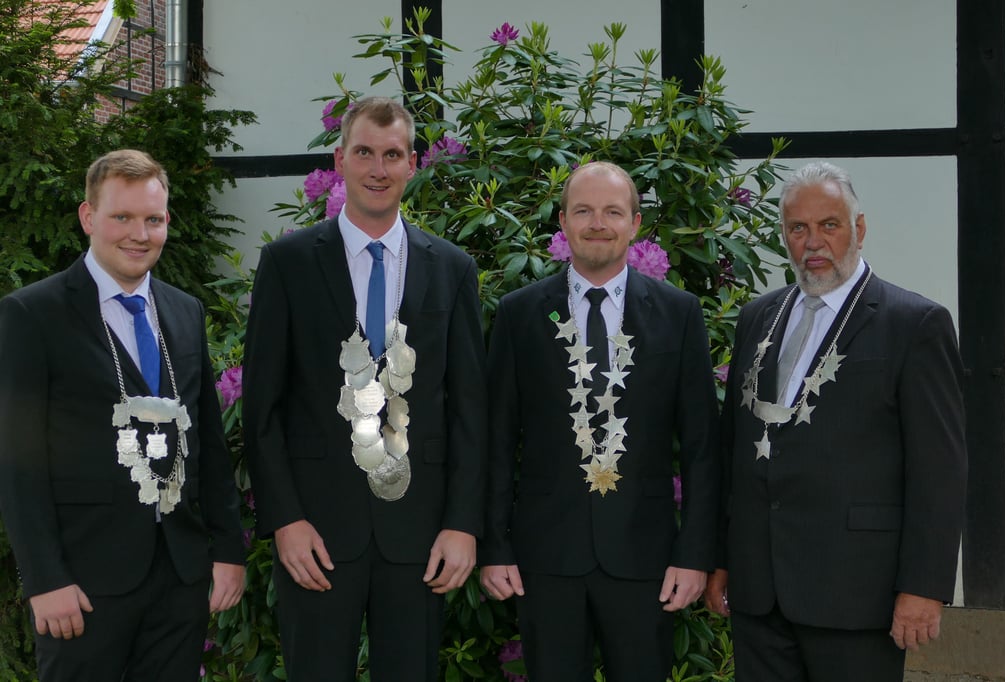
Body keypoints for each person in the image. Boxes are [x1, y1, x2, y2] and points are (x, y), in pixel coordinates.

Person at [242, 96, 487, 681]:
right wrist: (285, 521)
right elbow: (262, 408)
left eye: (393, 155)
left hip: (420, 532)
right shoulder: (287, 263)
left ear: (412, 164)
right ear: (340, 159)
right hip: (316, 531)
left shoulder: (451, 268)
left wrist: (462, 523)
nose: (379, 168)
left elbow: (469, 410)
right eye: (365, 153)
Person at [707, 161, 968, 682]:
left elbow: (939, 470)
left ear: (859, 228)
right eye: (798, 228)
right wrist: (722, 557)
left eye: (829, 225)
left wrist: (923, 587)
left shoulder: (913, 324)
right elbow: (732, 449)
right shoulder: (758, 317)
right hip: (760, 591)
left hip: (856, 591)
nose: (813, 242)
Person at [0, 149, 246, 681]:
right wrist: (44, 579)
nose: (139, 234)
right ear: (88, 217)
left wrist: (229, 550)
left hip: (179, 578)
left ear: (167, 221)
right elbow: (18, 465)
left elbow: (207, 441)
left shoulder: (184, 310)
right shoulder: (32, 315)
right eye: (122, 217)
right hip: (82, 584)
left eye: (153, 219)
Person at [480, 161, 720, 681]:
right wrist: (493, 545)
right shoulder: (520, 314)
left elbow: (702, 446)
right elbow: (495, 440)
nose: (597, 223)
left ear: (635, 223)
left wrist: (695, 554)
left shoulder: (678, 314)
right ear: (563, 222)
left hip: (646, 556)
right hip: (545, 556)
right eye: (583, 211)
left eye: (612, 211)